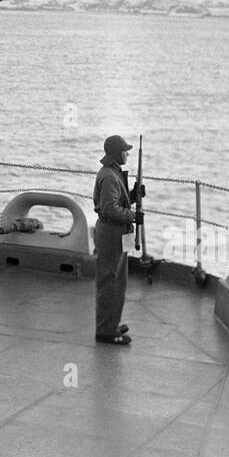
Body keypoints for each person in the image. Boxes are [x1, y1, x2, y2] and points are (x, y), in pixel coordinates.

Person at [93, 134, 137, 345]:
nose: (127, 153)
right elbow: (110, 209)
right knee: (110, 282)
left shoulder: (114, 173)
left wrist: (134, 196)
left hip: (120, 232)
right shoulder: (110, 176)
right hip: (112, 234)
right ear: (115, 153)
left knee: (119, 281)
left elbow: (117, 201)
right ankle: (105, 330)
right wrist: (133, 216)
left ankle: (111, 323)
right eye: (124, 150)